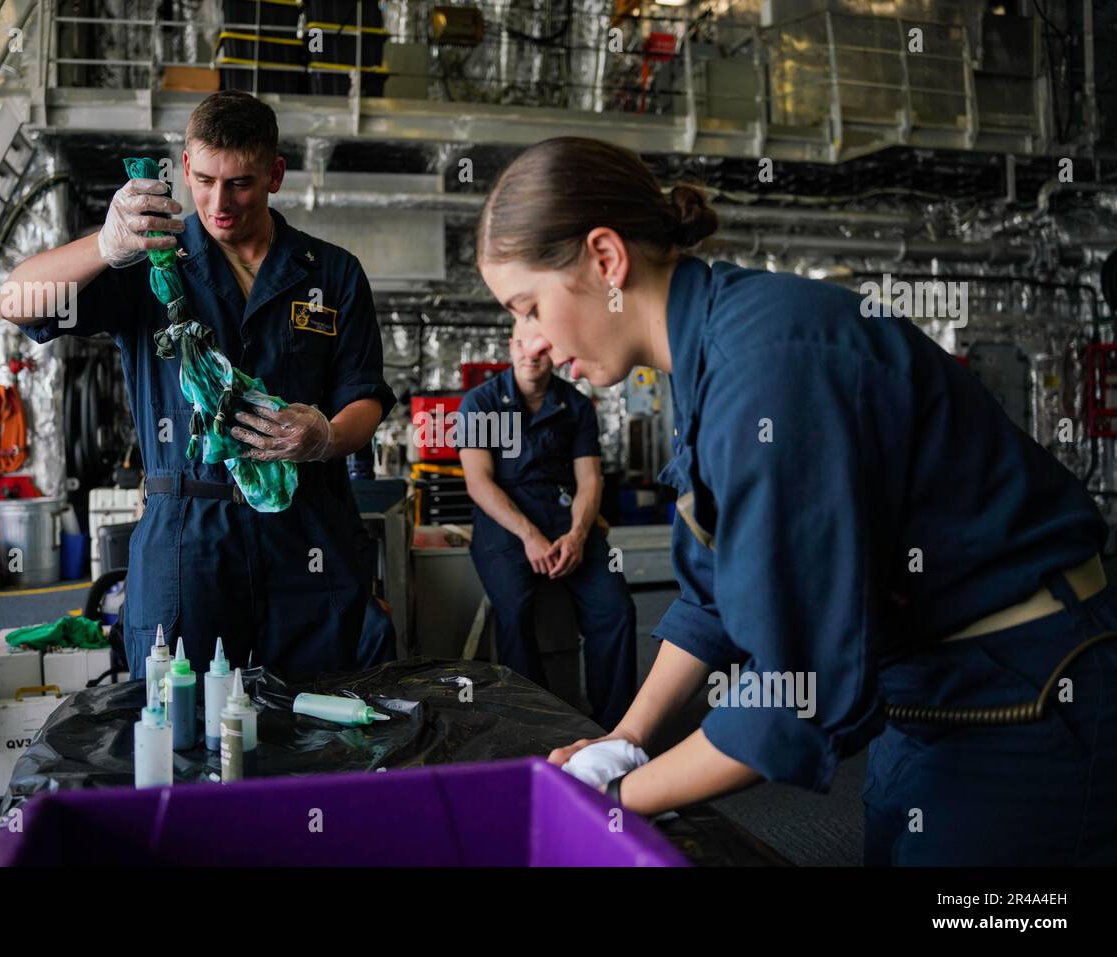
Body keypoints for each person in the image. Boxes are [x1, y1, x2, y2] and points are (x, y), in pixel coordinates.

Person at [475, 136, 1117, 866]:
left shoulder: (764, 369)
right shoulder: (715, 349)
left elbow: (792, 692)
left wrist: (612, 803)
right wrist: (625, 740)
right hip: (929, 696)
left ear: (605, 258)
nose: (525, 341)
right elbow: (714, 596)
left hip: (1026, 698)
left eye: (527, 307)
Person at [1, 91, 394, 680]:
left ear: (275, 175)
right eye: (204, 179)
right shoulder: (148, 262)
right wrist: (105, 246)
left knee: (326, 713)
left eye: (240, 183)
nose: (218, 202)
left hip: (306, 526)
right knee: (180, 723)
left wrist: (325, 436)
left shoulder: (331, 272)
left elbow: (364, 396)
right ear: (184, 168)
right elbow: (15, 300)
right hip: (187, 534)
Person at [458, 323, 637, 729]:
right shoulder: (481, 403)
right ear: (511, 346)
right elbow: (478, 483)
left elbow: (590, 480)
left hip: (566, 514)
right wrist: (529, 536)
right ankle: (534, 727)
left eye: (540, 348)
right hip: (504, 520)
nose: (530, 355)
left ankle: (614, 728)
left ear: (554, 351)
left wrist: (577, 535)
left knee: (615, 608)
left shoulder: (574, 405)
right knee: (514, 610)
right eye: (521, 345)